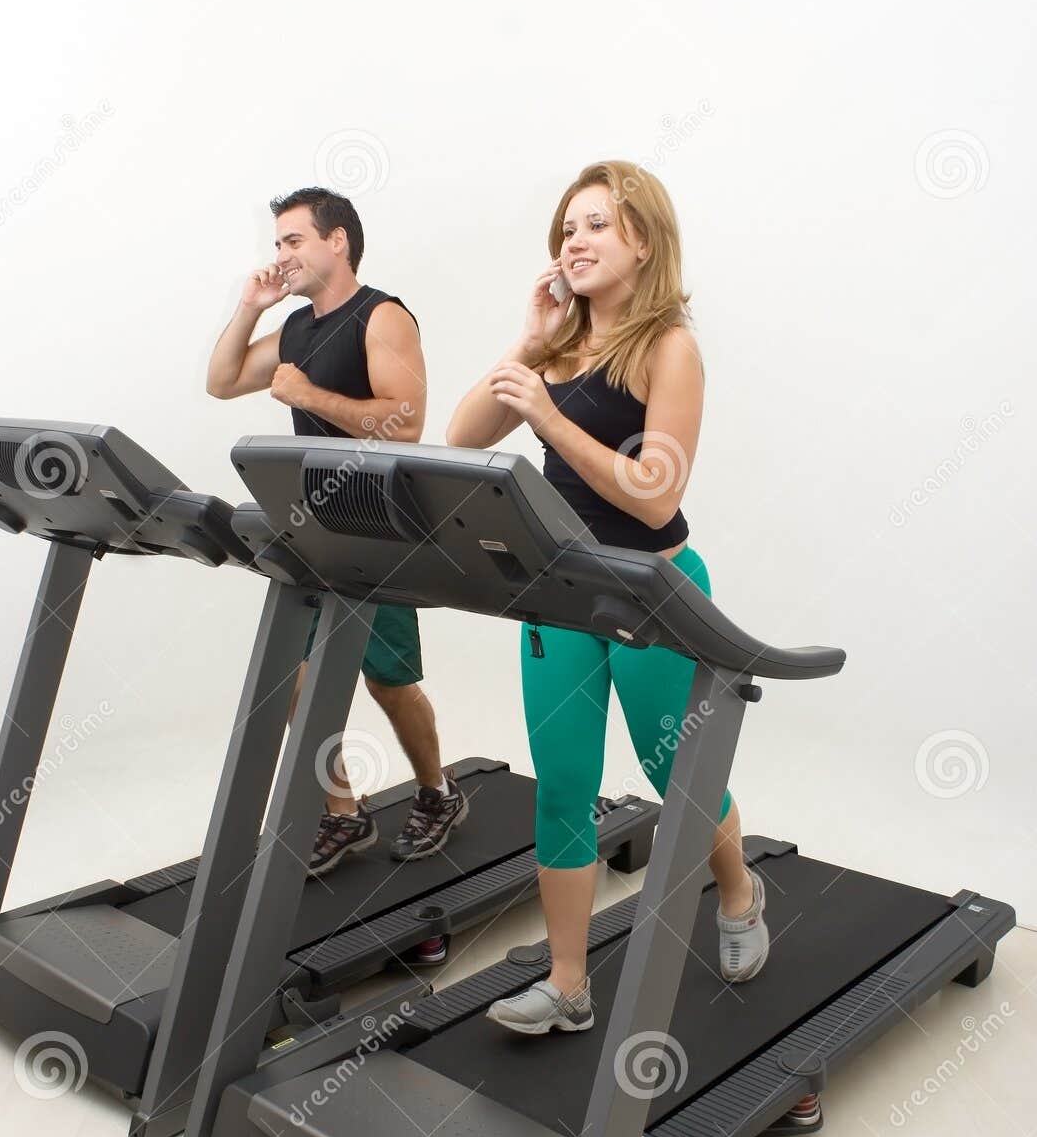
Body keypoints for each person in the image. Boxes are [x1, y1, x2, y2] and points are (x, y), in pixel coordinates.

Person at [447, 160, 769, 1034]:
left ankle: (738, 891)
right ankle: (567, 985)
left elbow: (657, 496)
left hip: (652, 592)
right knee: (562, 786)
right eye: (566, 228)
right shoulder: (553, 349)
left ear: (643, 242)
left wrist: (549, 420)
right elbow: (462, 436)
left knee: (677, 777)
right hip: (559, 594)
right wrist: (526, 341)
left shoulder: (669, 348)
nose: (574, 241)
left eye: (595, 224)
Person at [206, 186, 466, 963]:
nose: (280, 255)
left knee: (388, 682)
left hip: (378, 528)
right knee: (293, 677)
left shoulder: (382, 316)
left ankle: (436, 792)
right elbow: (222, 380)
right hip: (312, 524)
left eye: (292, 241)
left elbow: (406, 421)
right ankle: (344, 812)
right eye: (277, 244)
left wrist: (307, 394)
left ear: (338, 241)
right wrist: (250, 306)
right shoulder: (293, 329)